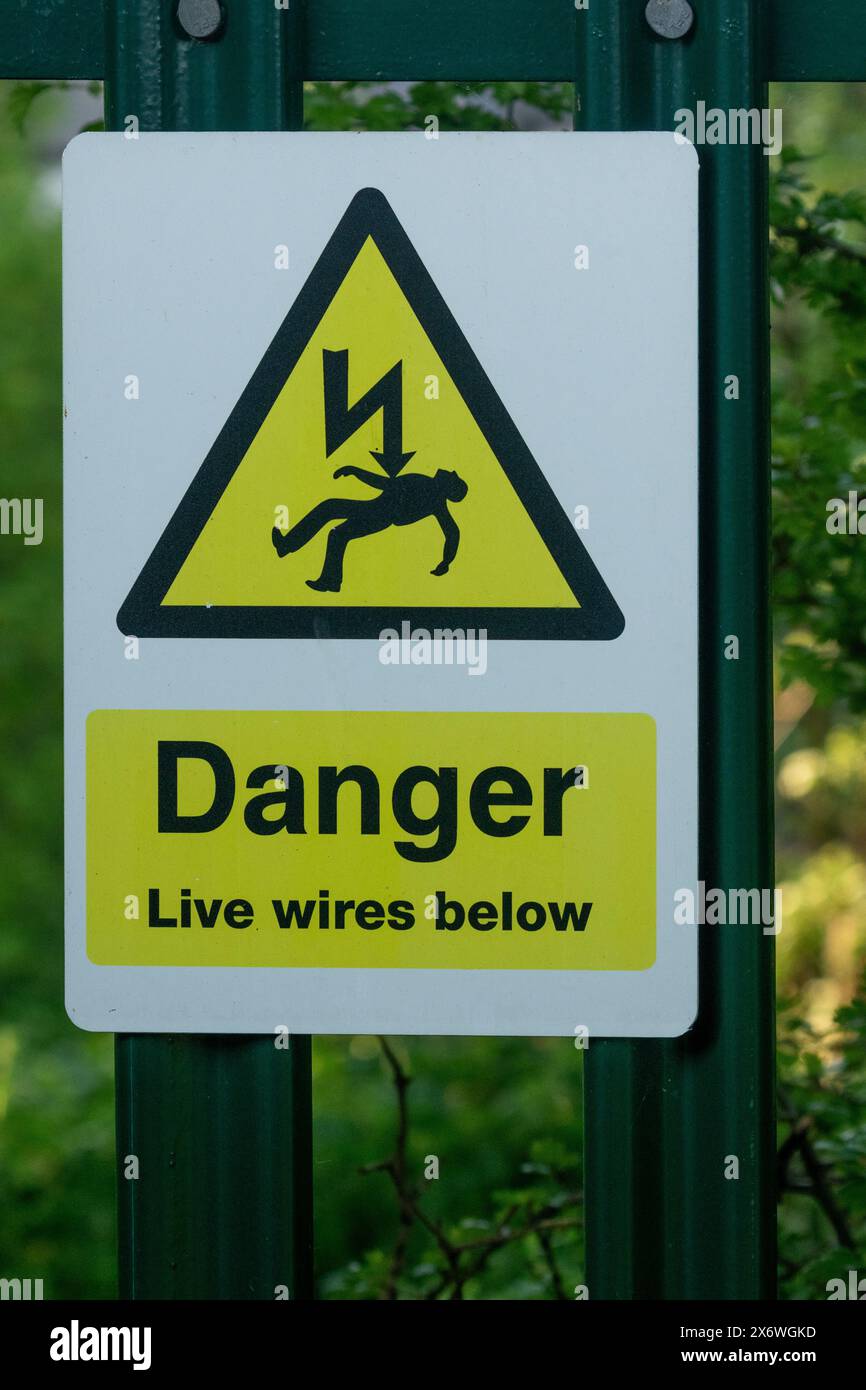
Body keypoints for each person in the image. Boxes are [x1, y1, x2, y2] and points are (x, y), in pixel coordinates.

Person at [271, 464, 469, 593]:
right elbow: (453, 532)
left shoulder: (424, 485)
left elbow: (384, 483)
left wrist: (356, 471)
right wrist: (446, 562)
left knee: (330, 510)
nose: (450, 472)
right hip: (379, 515)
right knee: (337, 533)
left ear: (449, 487)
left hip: (376, 512)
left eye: (453, 477)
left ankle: (288, 546)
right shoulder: (436, 502)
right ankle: (330, 580)